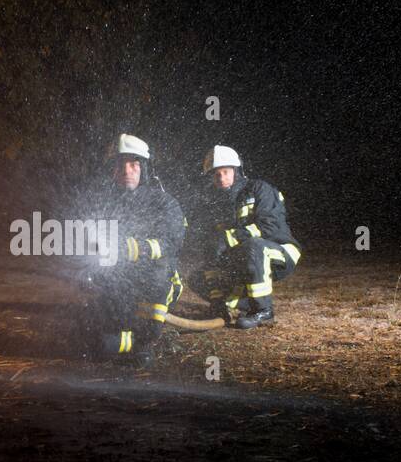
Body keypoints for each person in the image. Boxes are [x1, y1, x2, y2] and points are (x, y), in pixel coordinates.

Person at [80, 133, 185, 366]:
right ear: (113, 170)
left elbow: (170, 243)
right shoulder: (106, 202)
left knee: (157, 273)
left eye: (134, 164)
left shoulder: (164, 203)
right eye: (121, 165)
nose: (127, 170)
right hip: (119, 281)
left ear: (144, 169)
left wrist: (130, 248)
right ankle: (123, 340)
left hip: (157, 281)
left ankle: (143, 343)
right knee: (90, 337)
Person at [184, 145, 301, 329]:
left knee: (253, 246)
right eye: (216, 174)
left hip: (279, 251)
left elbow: (269, 227)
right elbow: (213, 250)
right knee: (197, 277)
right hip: (243, 257)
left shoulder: (259, 189)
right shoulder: (215, 203)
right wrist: (217, 302)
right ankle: (236, 305)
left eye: (226, 172)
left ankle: (263, 311)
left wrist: (229, 238)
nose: (221, 178)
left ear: (236, 170)